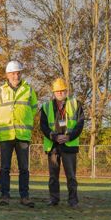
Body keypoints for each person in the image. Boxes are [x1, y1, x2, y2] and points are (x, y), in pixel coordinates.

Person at [0, 61, 38, 207]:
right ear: (7, 75)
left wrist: (25, 121)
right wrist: (0, 124)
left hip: (23, 134)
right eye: (13, 73)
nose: (16, 76)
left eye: (18, 73)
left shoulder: (29, 90)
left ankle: (25, 196)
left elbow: (34, 109)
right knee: (5, 168)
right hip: (6, 135)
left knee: (24, 168)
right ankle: (5, 196)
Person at [39, 78, 84, 207]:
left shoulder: (76, 104)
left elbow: (80, 124)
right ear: (53, 92)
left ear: (66, 91)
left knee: (71, 176)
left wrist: (69, 137)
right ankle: (54, 200)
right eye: (57, 91)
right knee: (53, 177)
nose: (60, 93)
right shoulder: (46, 106)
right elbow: (43, 125)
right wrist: (53, 136)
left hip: (69, 145)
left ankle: (73, 201)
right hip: (53, 145)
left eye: (62, 91)